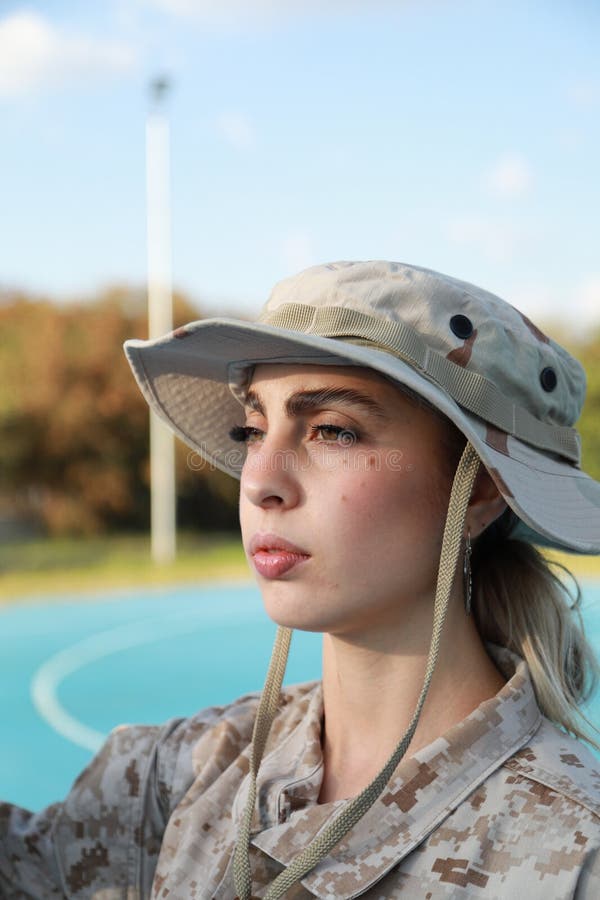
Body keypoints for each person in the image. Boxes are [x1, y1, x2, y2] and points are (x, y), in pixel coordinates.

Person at [1, 260, 599, 899]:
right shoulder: (177, 778)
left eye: (333, 430)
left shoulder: (573, 861)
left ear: (479, 487)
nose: (259, 480)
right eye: (253, 430)